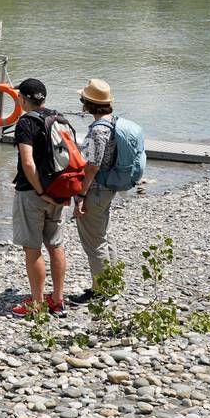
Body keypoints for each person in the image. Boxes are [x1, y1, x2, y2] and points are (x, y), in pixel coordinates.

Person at [10, 77, 68, 317]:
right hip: (59, 192)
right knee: (56, 245)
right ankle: (57, 299)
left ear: (23, 99)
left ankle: (36, 304)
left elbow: (27, 162)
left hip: (33, 194)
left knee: (32, 249)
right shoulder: (60, 119)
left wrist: (41, 192)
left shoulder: (26, 123)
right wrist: (54, 194)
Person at [71, 79, 116, 306]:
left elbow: (92, 166)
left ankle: (100, 292)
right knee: (103, 236)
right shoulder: (113, 122)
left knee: (94, 242)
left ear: (88, 104)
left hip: (96, 189)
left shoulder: (97, 130)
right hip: (108, 187)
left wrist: (80, 195)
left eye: (83, 100)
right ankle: (112, 286)